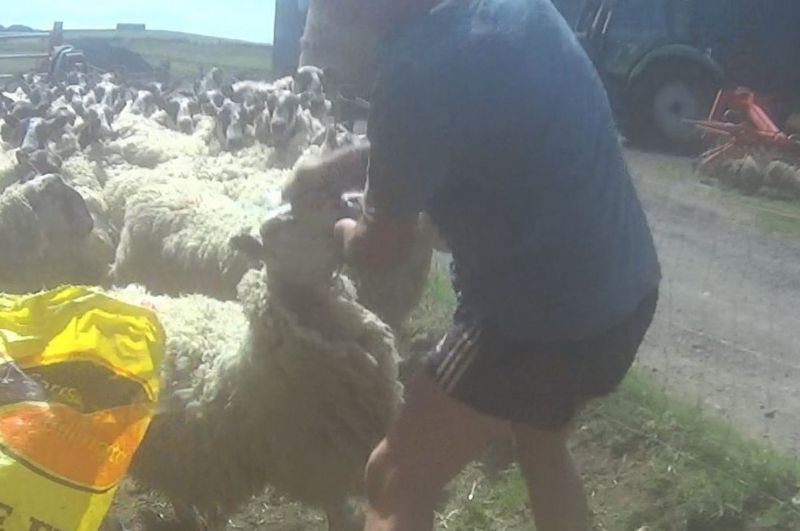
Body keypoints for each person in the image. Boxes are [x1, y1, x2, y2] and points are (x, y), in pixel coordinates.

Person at [314, 0, 662, 529]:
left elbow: (382, 249)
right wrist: (337, 168)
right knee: (541, 444)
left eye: (341, 16)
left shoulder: (413, 68)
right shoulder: (515, 10)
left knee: (395, 476)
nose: (341, 31)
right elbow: (447, 128)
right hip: (625, 295)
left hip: (531, 325)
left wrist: (335, 230)